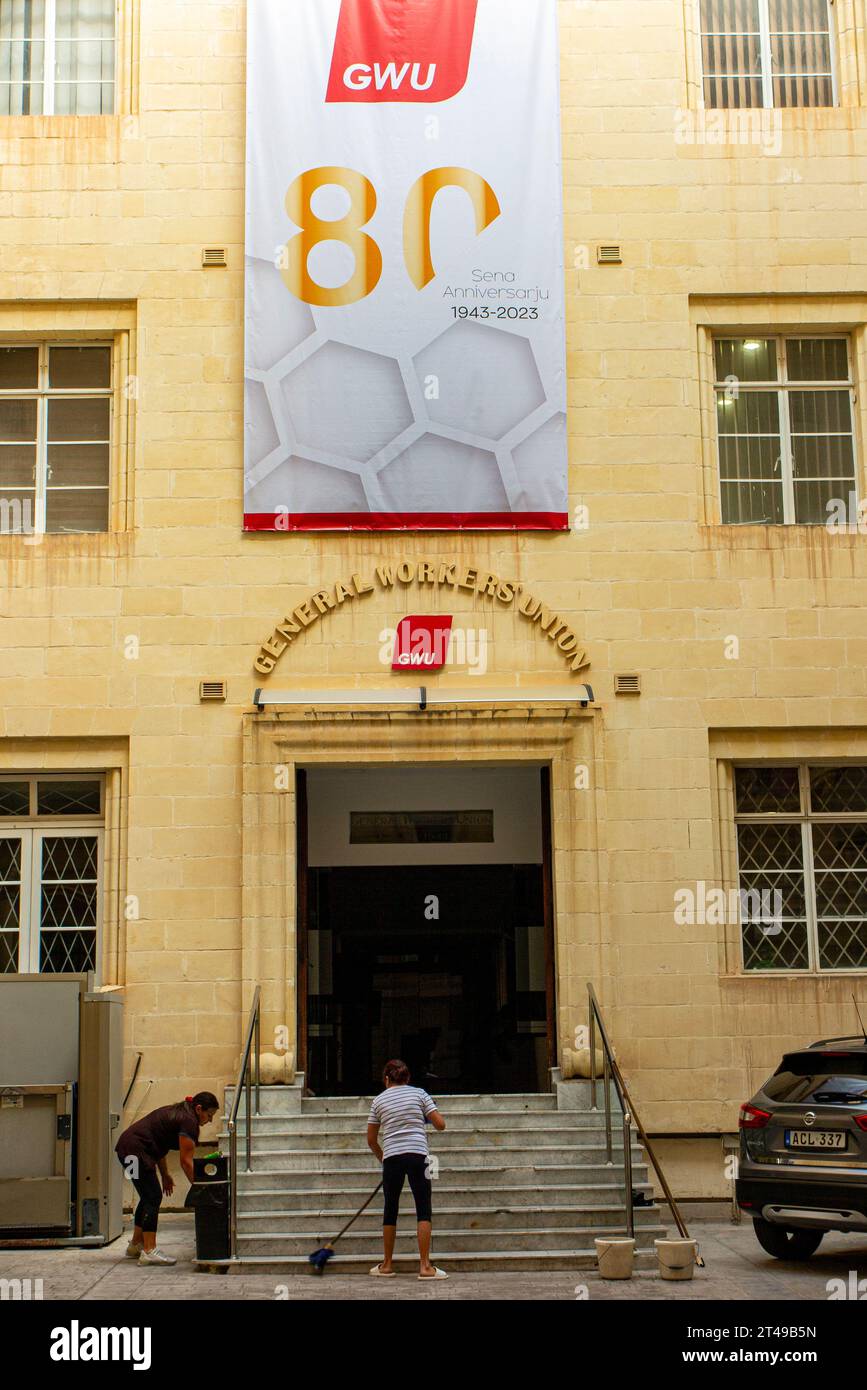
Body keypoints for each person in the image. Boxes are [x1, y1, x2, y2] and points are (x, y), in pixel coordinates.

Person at [115, 1091, 219, 1265]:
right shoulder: (189, 1122)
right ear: (199, 1109)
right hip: (134, 1151)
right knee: (153, 1196)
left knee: (148, 1195)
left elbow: (158, 1146)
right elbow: (186, 1162)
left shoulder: (181, 1113)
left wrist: (165, 1174)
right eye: (209, 1115)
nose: (210, 1121)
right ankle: (149, 1250)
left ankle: (136, 1244)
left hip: (126, 1150)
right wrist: (201, 1188)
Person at [366, 1059, 447, 1280]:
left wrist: (384, 1158)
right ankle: (424, 1266)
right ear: (408, 1078)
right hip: (418, 1155)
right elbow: (440, 1124)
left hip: (392, 1158)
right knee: (423, 1207)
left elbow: (371, 1139)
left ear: (386, 1079)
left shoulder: (378, 1101)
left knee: (390, 1209)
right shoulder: (420, 1094)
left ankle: (387, 1265)